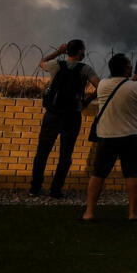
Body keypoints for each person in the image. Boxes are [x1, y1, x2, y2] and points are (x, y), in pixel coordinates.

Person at [81, 53, 137, 222]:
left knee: (98, 174)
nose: (131, 67)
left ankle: (89, 212)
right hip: (130, 137)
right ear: (126, 68)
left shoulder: (102, 85)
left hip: (106, 135)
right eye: (129, 65)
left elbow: (113, 90)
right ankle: (133, 214)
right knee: (132, 175)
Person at [30, 39, 99, 198]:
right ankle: (56, 190)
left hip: (52, 115)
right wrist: (87, 101)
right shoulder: (85, 69)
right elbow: (100, 86)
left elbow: (41, 63)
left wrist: (58, 52)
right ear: (80, 51)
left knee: (42, 153)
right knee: (65, 156)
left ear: (68, 51)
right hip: (72, 116)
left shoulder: (56, 65)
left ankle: (35, 188)